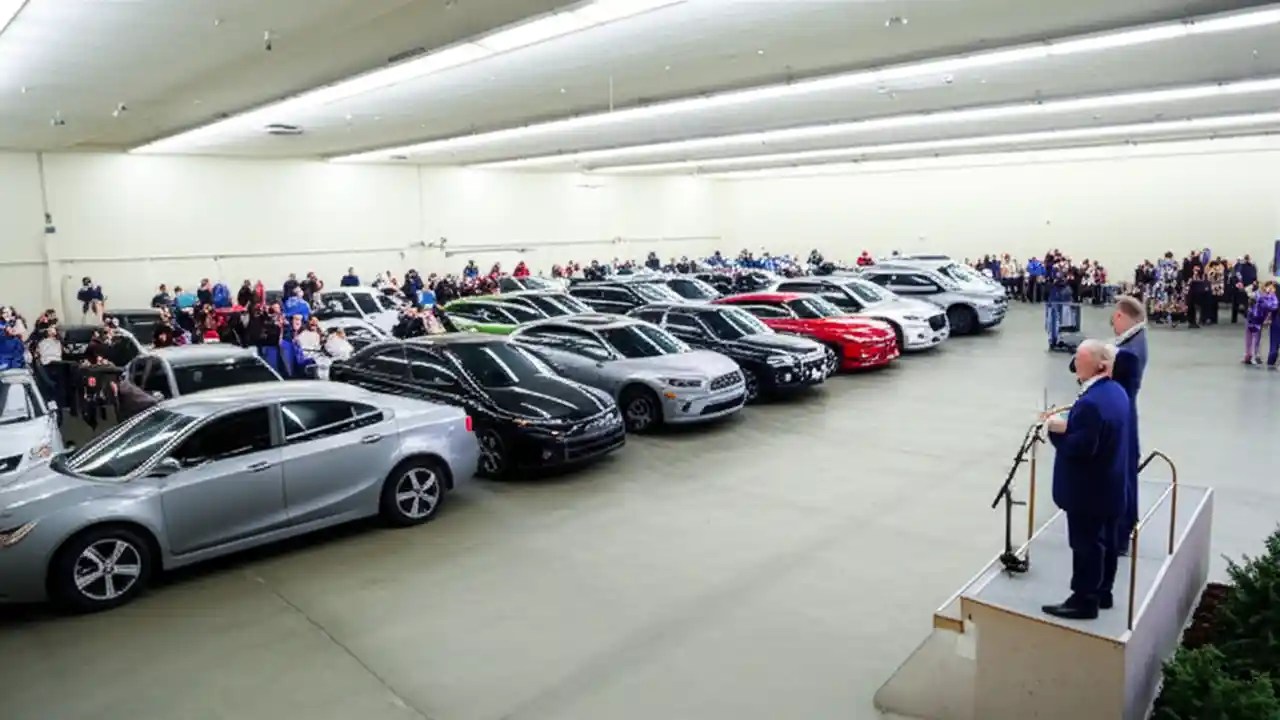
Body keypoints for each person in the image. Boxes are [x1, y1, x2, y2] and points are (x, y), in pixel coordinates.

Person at [1042, 339, 1131, 620]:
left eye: (1080, 359)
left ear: (1098, 365)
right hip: (1111, 484)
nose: (1075, 364)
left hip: (1088, 490)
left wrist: (1055, 430)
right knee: (1106, 541)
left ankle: (1083, 599)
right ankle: (1103, 591)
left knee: (1085, 544)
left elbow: (1081, 449)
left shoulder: (1091, 402)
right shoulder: (1117, 392)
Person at [1243, 280, 1275, 365]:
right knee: (1250, 338)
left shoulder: (1268, 297)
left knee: (1254, 338)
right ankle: (1249, 355)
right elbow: (1247, 290)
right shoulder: (1258, 294)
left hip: (1256, 319)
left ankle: (1252, 355)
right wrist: (1253, 285)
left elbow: (1270, 310)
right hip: (1252, 318)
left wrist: (1267, 319)